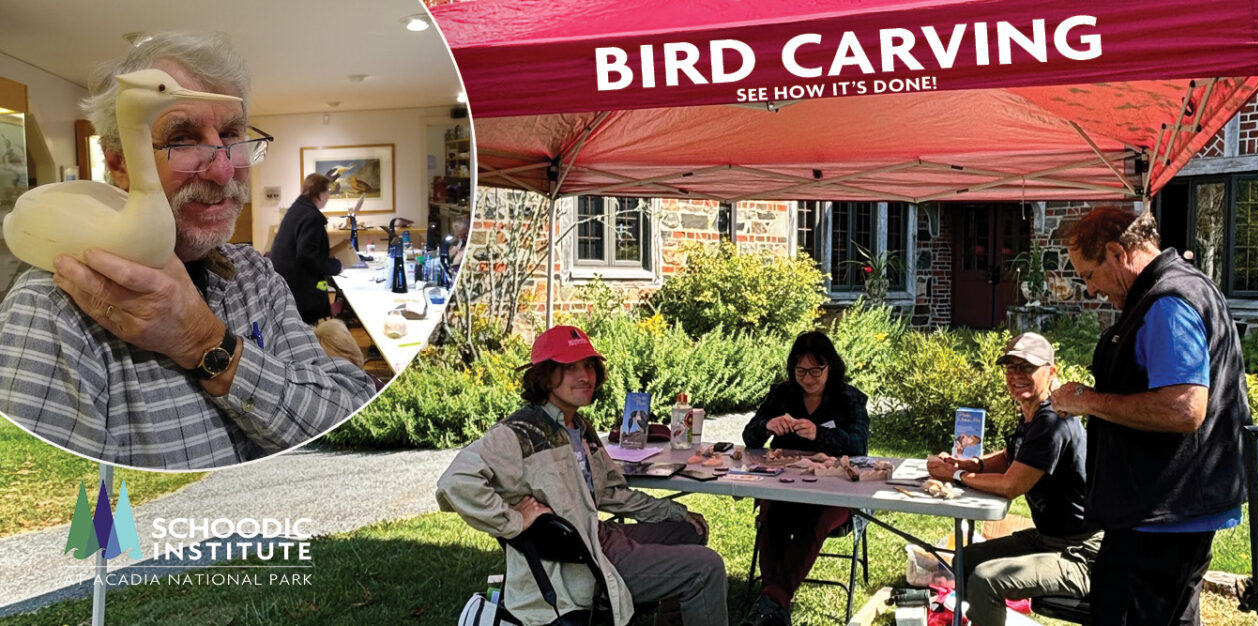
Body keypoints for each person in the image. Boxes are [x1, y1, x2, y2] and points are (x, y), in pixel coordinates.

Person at [0, 33, 374, 470]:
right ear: (119, 164)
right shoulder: (53, 309)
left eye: (232, 133)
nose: (222, 169)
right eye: (182, 138)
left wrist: (203, 340)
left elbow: (355, 424)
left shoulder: (254, 276)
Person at [437, 325, 727, 626]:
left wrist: (673, 511)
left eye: (589, 365)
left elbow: (610, 493)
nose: (585, 376)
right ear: (545, 375)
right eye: (569, 367)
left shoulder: (579, 427)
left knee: (688, 531)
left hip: (597, 536)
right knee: (706, 567)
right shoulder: (521, 431)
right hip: (574, 564)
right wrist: (512, 521)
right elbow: (455, 482)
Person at [1050, 207, 1252, 625]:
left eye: (1088, 274)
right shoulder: (1179, 287)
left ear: (1116, 253)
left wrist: (1088, 401)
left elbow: (1184, 408)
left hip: (1163, 517)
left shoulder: (1167, 303)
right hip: (1168, 512)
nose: (1090, 290)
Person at [925, 332, 1099, 625]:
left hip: (1081, 553)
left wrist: (956, 474)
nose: (1017, 375)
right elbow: (1012, 456)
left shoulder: (1054, 420)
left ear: (1051, 372)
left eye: (1027, 367)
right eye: (1011, 367)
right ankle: (983, 617)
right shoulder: (1035, 413)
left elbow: (1010, 485)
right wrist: (969, 463)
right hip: (1047, 538)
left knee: (985, 579)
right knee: (964, 561)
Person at [740, 330, 870, 626]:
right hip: (783, 485)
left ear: (830, 367)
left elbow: (860, 447)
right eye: (801, 371)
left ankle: (771, 601)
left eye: (815, 370)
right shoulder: (783, 394)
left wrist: (820, 434)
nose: (808, 378)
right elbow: (749, 436)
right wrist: (767, 425)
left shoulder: (848, 399)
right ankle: (775, 604)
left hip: (832, 490)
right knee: (771, 516)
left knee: (816, 519)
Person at [270, 173, 343, 324]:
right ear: (319, 193)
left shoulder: (298, 209)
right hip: (301, 289)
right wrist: (335, 266)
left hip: (288, 282)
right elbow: (307, 255)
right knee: (308, 326)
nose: (328, 196)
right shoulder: (311, 217)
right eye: (327, 191)